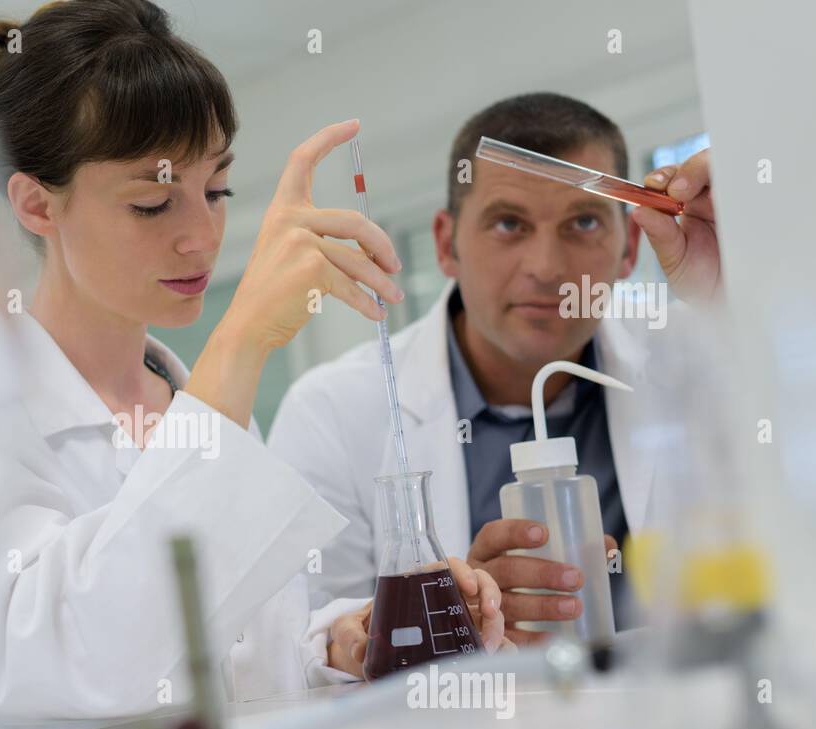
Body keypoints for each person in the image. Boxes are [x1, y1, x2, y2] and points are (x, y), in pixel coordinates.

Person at [0, 0, 506, 729]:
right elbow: (89, 655)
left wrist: (342, 642)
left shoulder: (191, 407)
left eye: (217, 189)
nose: (201, 234)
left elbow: (219, 663)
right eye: (152, 201)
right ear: (35, 204)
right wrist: (242, 340)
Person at [269, 92, 721, 646]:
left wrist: (731, 285)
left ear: (629, 247)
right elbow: (300, 654)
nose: (546, 268)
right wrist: (452, 623)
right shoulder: (331, 412)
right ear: (445, 244)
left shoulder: (703, 352)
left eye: (582, 221)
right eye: (508, 224)